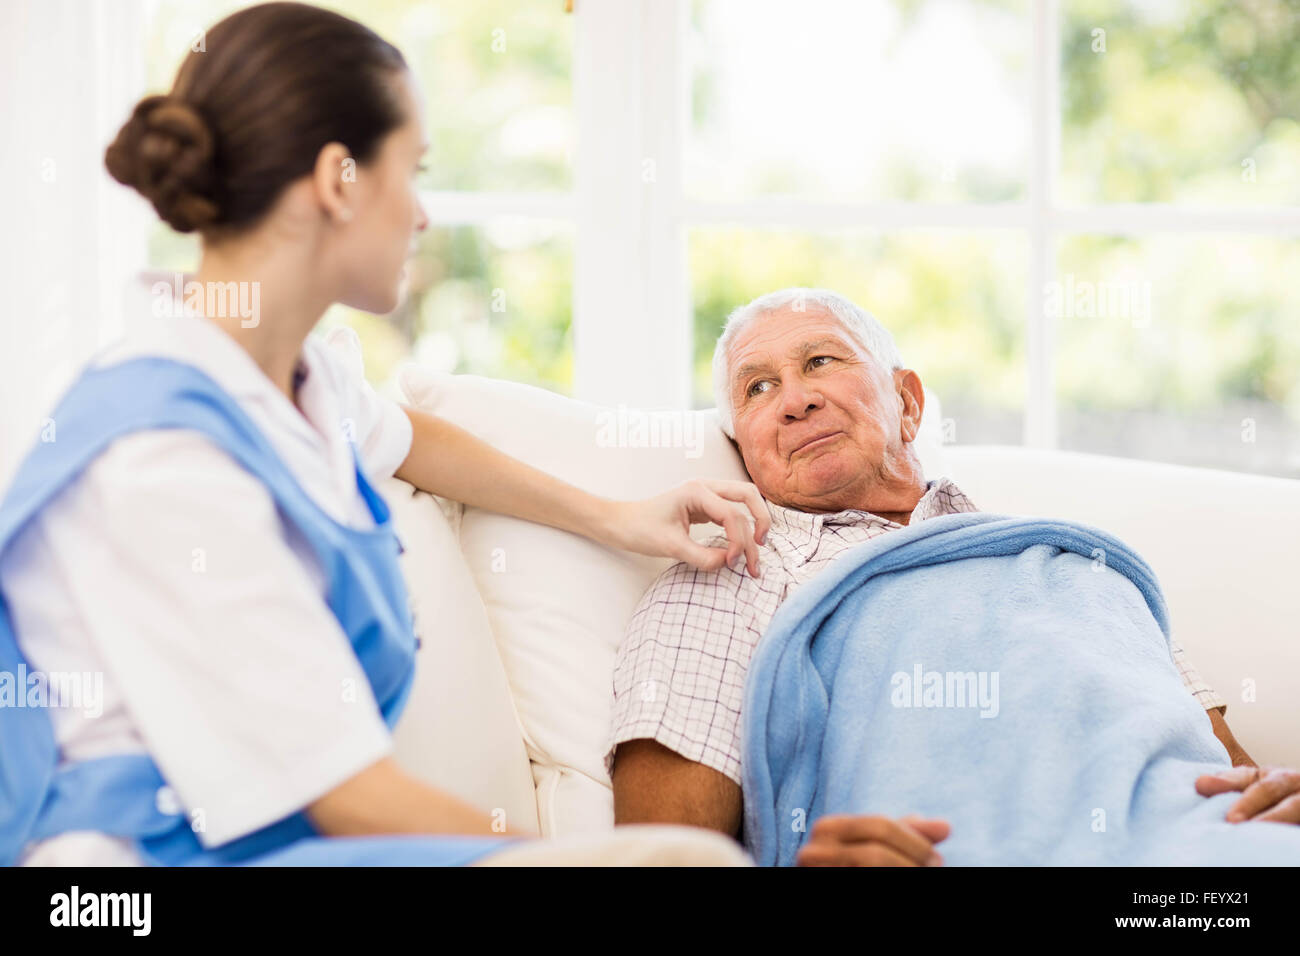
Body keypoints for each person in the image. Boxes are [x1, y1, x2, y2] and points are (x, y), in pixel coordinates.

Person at [0, 2, 765, 868]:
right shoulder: (162, 456)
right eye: (415, 171)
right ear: (341, 180)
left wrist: (620, 518)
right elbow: (350, 798)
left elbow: (413, 440)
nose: (424, 215)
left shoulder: (296, 381)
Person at [607, 286, 1300, 865]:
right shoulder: (726, 578)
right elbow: (660, 860)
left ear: (907, 402)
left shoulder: (1079, 565)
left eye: (820, 361)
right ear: (745, 450)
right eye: (759, 388)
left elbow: (1238, 776)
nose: (794, 400)